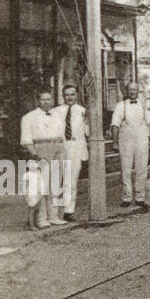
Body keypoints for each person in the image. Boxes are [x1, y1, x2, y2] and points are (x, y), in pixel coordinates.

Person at [19, 90, 67, 230]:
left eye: (49, 99)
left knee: (55, 184)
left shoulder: (57, 116)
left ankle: (53, 216)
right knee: (42, 186)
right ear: (38, 101)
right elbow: (26, 140)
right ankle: (41, 219)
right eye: (43, 99)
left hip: (57, 149)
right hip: (41, 150)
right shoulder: (29, 117)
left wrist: (62, 150)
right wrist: (34, 154)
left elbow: (62, 135)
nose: (47, 102)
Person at [111, 82, 150, 207]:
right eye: (130, 90)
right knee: (126, 169)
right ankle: (126, 198)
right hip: (126, 139)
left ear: (138, 91)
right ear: (126, 91)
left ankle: (140, 197)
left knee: (142, 168)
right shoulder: (120, 105)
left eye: (135, 90)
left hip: (142, 138)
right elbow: (115, 125)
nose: (132, 92)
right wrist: (115, 142)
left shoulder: (144, 105)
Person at [56, 84, 89, 221]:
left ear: (77, 95)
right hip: (60, 146)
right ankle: (54, 211)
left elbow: (88, 132)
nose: (69, 97)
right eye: (67, 95)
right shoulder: (56, 111)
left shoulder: (83, 111)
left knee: (71, 180)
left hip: (75, 147)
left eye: (72, 94)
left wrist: (88, 120)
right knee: (56, 179)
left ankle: (68, 211)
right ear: (63, 96)